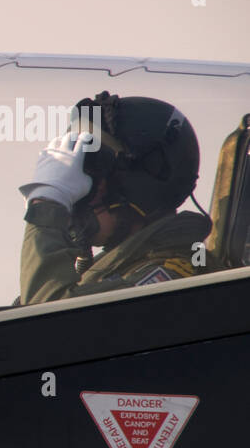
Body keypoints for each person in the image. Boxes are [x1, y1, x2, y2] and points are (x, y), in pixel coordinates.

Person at [19, 92, 210, 305]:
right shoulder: (116, 266)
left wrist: (47, 205)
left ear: (139, 188)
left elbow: (48, 325)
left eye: (90, 177)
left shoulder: (172, 277)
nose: (76, 198)